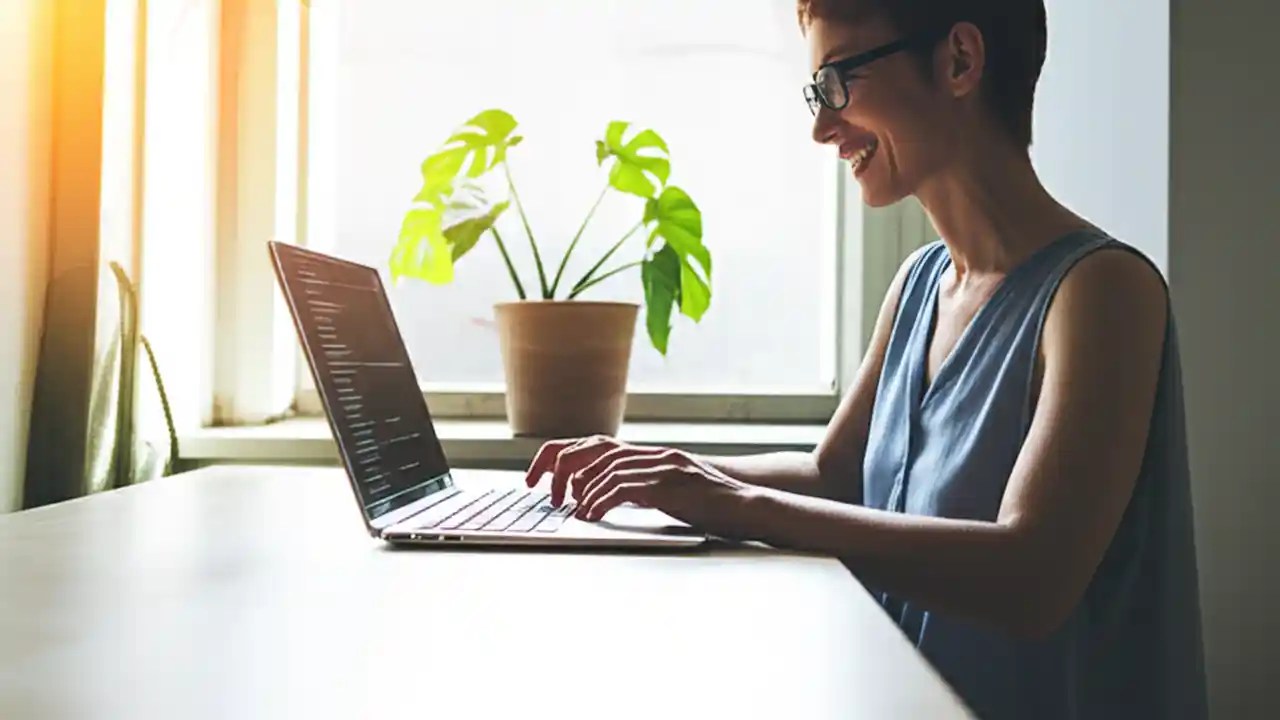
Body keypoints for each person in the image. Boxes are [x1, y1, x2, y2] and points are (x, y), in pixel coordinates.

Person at [524, 1, 1207, 718]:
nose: (821, 127)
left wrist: (734, 504)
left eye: (837, 82)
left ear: (959, 61)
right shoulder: (919, 285)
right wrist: (652, 472)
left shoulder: (1103, 292)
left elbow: (1032, 578)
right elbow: (834, 477)